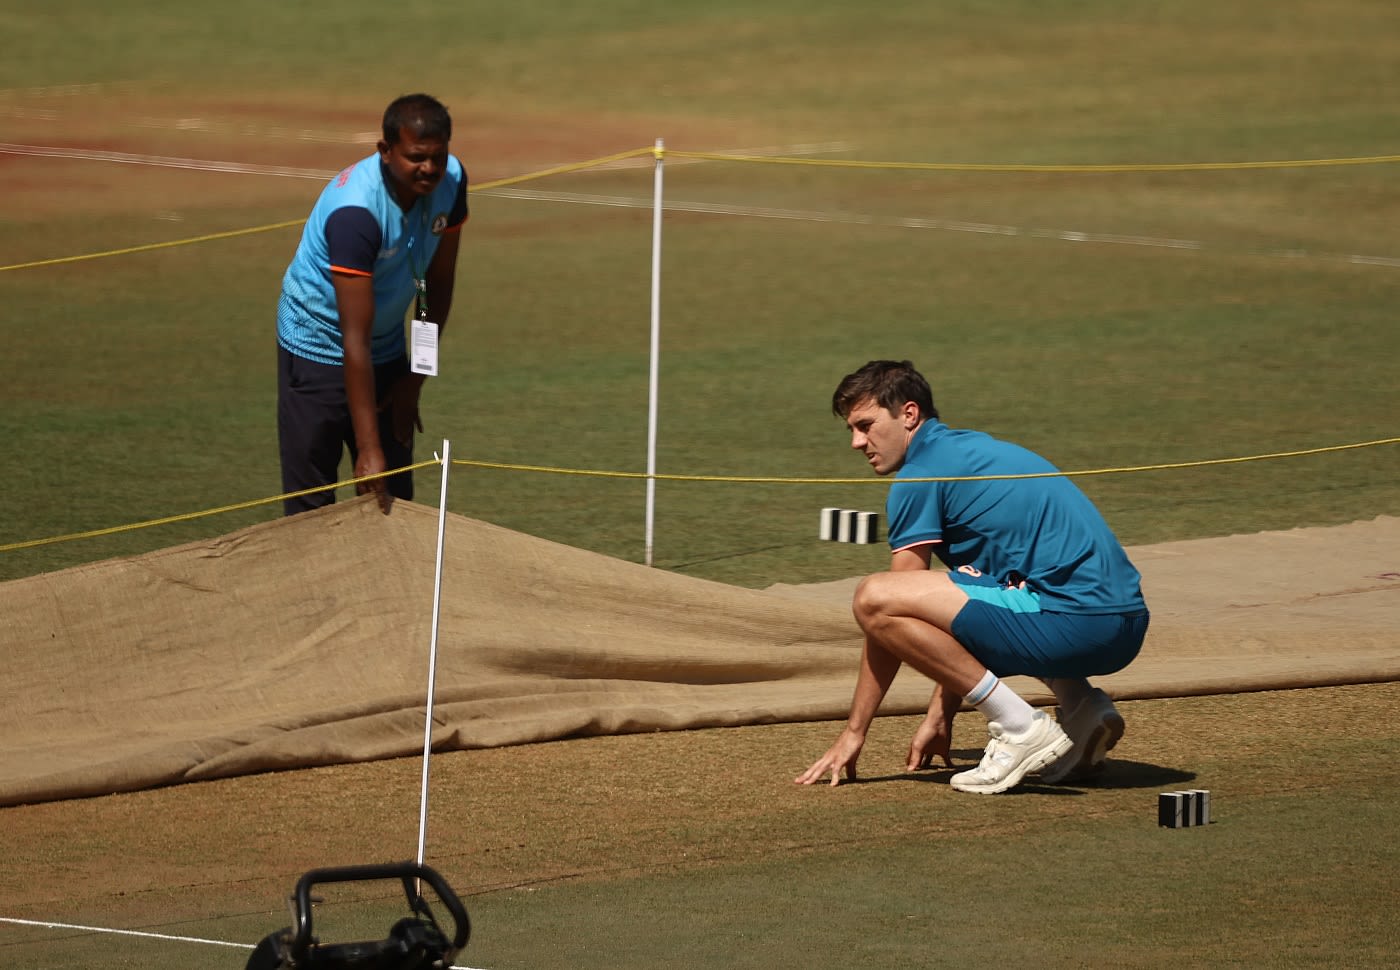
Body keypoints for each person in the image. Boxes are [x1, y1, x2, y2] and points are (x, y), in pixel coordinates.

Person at [795, 360, 1150, 794]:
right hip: (1123, 626)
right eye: (851, 429)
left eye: (865, 425)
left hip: (1076, 626)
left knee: (873, 596)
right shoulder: (976, 451)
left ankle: (1020, 726)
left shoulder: (920, 475)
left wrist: (855, 732)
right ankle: (1081, 707)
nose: (856, 442)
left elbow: (889, 614)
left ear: (909, 414)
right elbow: (964, 611)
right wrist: (939, 714)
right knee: (976, 592)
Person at [276, 93, 469, 515]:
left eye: (439, 156)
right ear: (385, 152)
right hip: (317, 346)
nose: (430, 169)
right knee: (312, 510)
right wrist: (368, 448)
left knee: (394, 502)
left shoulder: (451, 182)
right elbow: (353, 338)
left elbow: (436, 285)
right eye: (417, 157)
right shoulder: (356, 214)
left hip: (384, 347)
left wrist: (414, 379)